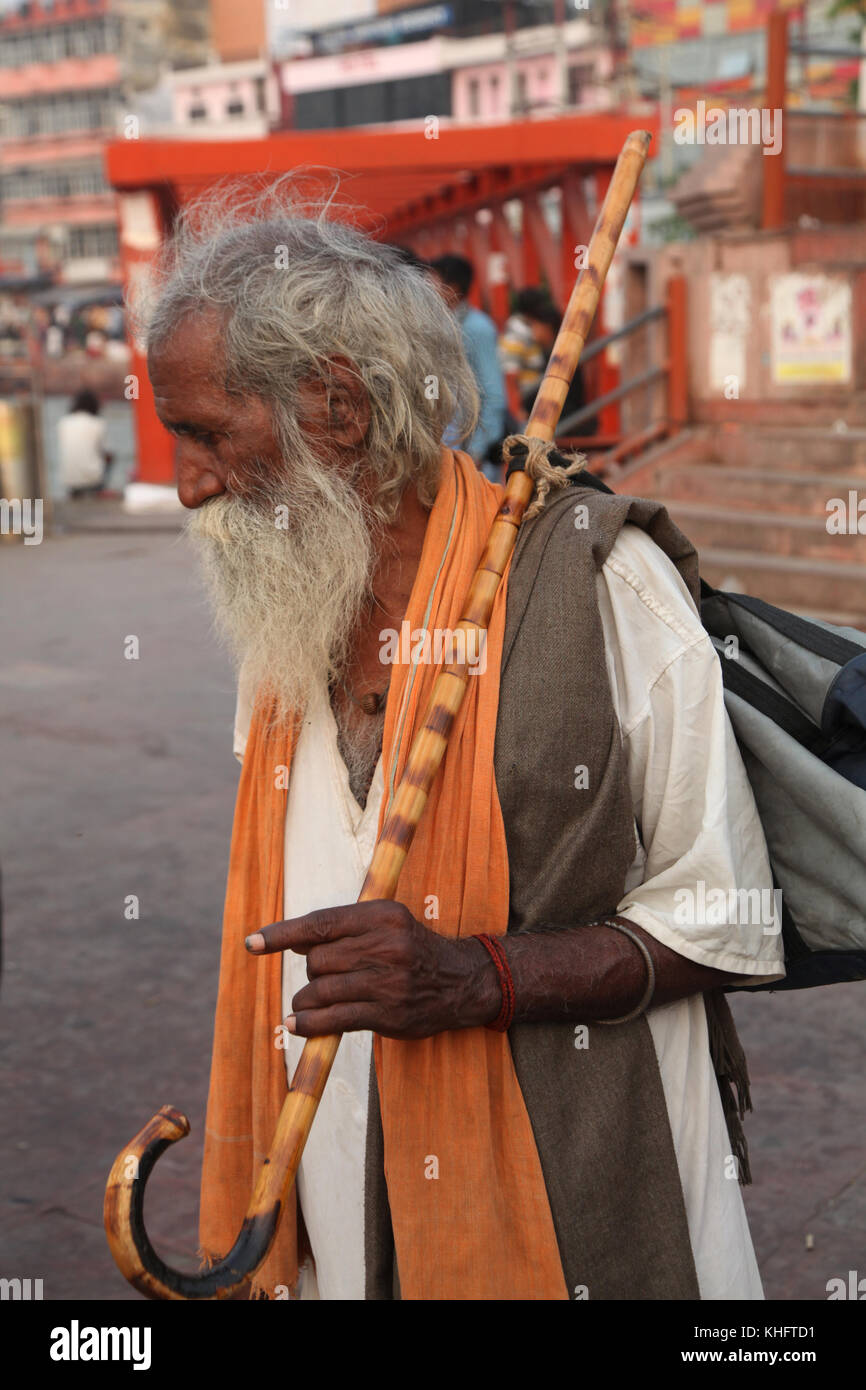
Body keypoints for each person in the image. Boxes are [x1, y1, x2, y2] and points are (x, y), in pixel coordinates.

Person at [143, 184, 784, 1302]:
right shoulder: (282, 625)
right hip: (339, 1181)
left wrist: (471, 976)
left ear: (335, 407)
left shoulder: (597, 587)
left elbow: (724, 917)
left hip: (580, 1174)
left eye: (203, 434)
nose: (188, 485)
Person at [429, 253, 506, 479]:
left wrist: (477, 451)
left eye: (432, 281)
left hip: (471, 457)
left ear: (451, 288)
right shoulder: (446, 324)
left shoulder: (477, 328)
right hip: (452, 452)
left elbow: (493, 394)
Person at [57, 390, 113, 498]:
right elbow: (107, 453)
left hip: (68, 479)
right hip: (93, 479)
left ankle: (75, 491)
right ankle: (99, 489)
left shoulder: (63, 422)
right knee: (110, 457)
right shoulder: (98, 423)